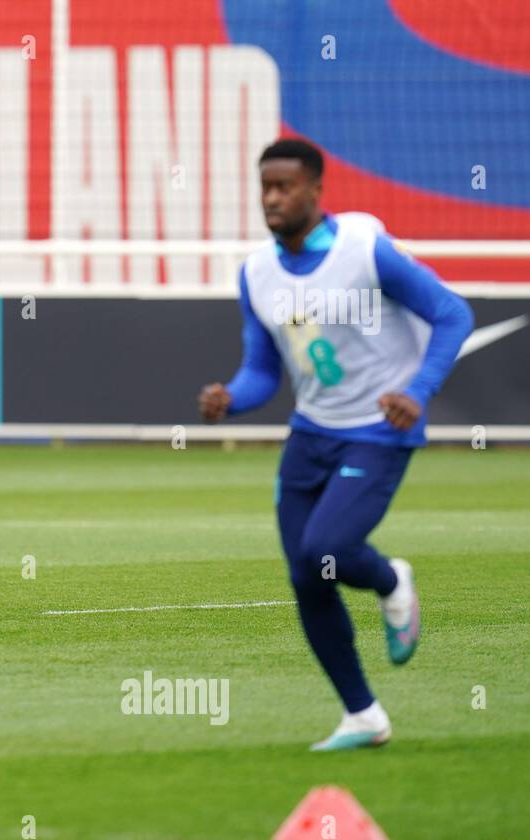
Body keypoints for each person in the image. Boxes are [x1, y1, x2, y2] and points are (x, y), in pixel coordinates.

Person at [199, 138, 473, 750]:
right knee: (305, 573)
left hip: (378, 432)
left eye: (285, 187)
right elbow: (263, 369)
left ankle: (390, 580)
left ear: (317, 191)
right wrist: (231, 398)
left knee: (327, 545)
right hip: (311, 435)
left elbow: (453, 312)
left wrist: (419, 390)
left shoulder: (365, 251)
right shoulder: (257, 272)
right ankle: (363, 716)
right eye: (265, 186)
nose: (272, 198)